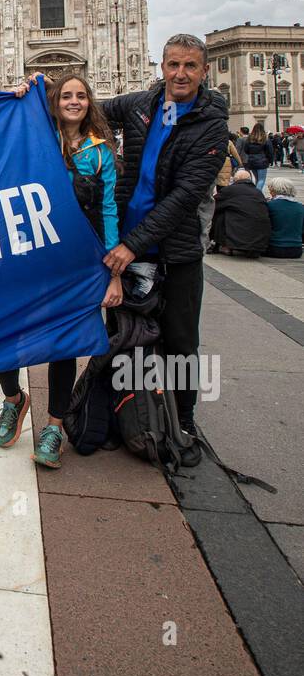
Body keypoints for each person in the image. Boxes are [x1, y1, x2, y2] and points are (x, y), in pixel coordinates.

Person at [96, 34, 230, 466]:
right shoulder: (141, 105)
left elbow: (185, 196)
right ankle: (127, 419)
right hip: (130, 249)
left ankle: (184, 421)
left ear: (203, 71)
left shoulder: (211, 123)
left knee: (179, 342)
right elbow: (81, 108)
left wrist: (130, 247)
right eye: (173, 65)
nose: (180, 74)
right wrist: (36, 93)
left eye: (190, 66)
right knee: (124, 339)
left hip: (174, 253)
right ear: (162, 66)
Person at [0, 73, 122, 470]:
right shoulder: (39, 139)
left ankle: (53, 426)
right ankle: (14, 400)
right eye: (65, 95)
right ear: (55, 102)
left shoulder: (101, 153)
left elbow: (109, 209)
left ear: (89, 104)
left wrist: (114, 270)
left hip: (74, 261)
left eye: (81, 96)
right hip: (25, 252)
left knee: (62, 343)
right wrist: (31, 85)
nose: (73, 101)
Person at [210, 169, 271, 257]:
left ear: (235, 179)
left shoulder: (230, 190)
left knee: (221, 213)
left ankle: (224, 245)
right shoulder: (258, 192)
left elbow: (213, 204)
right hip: (259, 240)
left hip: (237, 239)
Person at [265, 179, 304, 258]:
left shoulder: (270, 205)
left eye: (270, 190)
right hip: (296, 250)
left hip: (274, 247)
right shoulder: (300, 207)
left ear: (274, 191)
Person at [239, 122, 272, 191]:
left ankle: (257, 194)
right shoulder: (265, 139)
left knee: (257, 179)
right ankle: (257, 195)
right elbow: (269, 151)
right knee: (261, 180)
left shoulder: (249, 139)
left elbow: (246, 150)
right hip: (262, 160)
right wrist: (270, 160)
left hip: (252, 160)